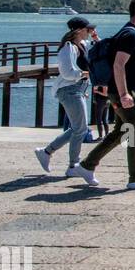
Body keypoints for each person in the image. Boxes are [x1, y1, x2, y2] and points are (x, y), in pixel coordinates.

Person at [70, 0, 135, 189]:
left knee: (121, 132)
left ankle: (87, 165)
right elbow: (119, 65)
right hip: (124, 92)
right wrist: (125, 94)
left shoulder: (134, 33)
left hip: (120, 91)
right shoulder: (130, 34)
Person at [35, 17, 96, 174]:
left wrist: (96, 38)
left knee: (78, 128)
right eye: (88, 29)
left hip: (78, 89)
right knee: (80, 129)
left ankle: (46, 152)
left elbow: (97, 49)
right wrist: (85, 74)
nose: (90, 32)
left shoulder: (82, 45)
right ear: (79, 30)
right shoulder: (68, 47)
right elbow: (67, 73)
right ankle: (72, 166)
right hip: (69, 89)